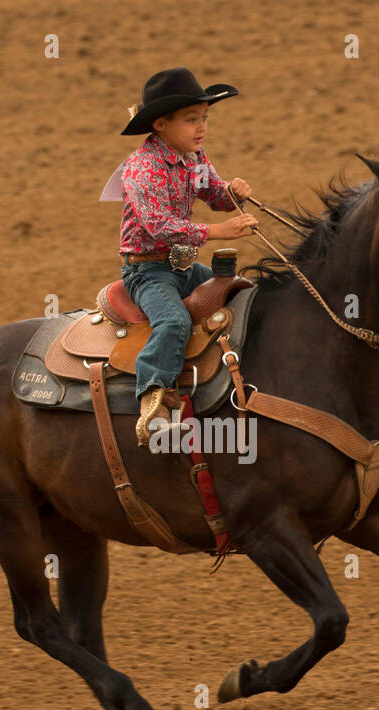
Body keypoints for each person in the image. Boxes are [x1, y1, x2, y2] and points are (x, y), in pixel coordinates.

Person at [111, 67, 259, 445]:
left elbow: (214, 196)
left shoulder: (194, 156)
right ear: (161, 124)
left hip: (180, 264)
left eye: (204, 118)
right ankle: (152, 397)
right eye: (191, 119)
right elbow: (159, 226)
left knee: (242, 294)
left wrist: (233, 194)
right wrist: (218, 232)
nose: (201, 127)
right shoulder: (142, 168)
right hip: (147, 271)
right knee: (174, 321)